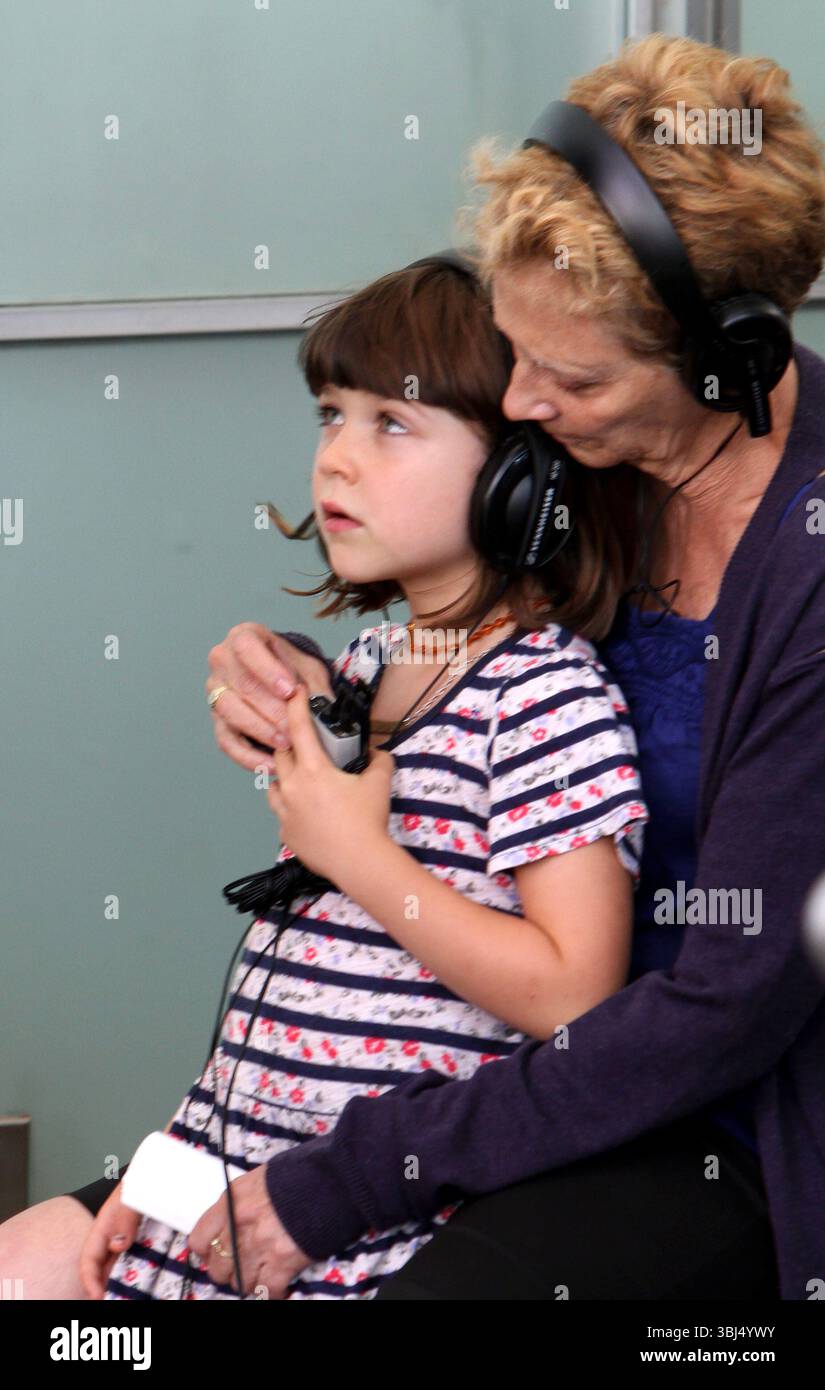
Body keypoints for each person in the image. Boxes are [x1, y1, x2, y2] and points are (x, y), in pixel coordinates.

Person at [3, 30, 823, 1302]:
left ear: (731, 361)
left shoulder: (802, 572)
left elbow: (728, 1007)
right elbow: (463, 627)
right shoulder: (591, 459)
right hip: (464, 1085)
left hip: (711, 1122)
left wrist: (339, 1177)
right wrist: (298, 678)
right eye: (514, 354)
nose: (526, 407)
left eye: (569, 375)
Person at [93, 248, 648, 1298]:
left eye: (390, 423)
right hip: (235, 1187)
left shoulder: (544, 694)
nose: (336, 461)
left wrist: (358, 853)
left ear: (518, 477)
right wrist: (173, 1158)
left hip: (373, 1231)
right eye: (330, 416)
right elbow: (294, 974)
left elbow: (575, 993)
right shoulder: (360, 672)